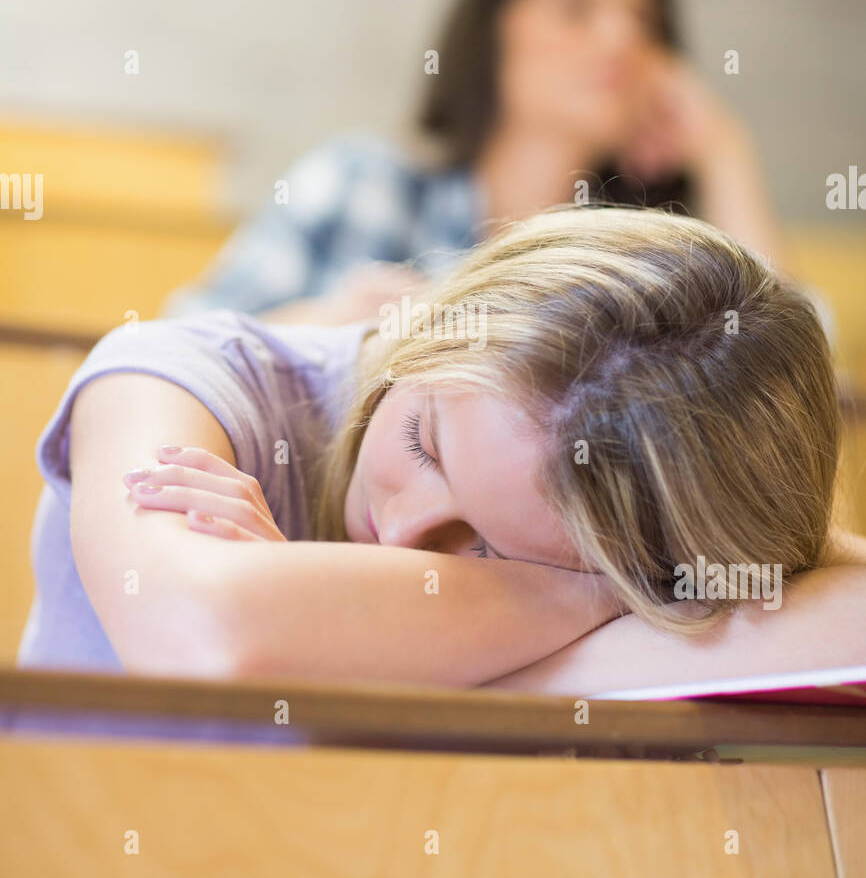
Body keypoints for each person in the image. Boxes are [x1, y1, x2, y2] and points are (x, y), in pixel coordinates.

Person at [20, 206, 864, 701]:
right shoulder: (177, 375)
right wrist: (594, 605)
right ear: (432, 331)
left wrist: (329, 627)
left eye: (489, 550)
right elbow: (203, 639)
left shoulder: (647, 541)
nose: (402, 533)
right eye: (422, 444)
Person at [164, 0, 783, 323]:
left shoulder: (651, 265)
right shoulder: (361, 183)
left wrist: (724, 153)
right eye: (576, 6)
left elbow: (786, 391)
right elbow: (177, 347)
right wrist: (334, 325)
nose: (623, 39)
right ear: (488, 37)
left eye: (645, 20)